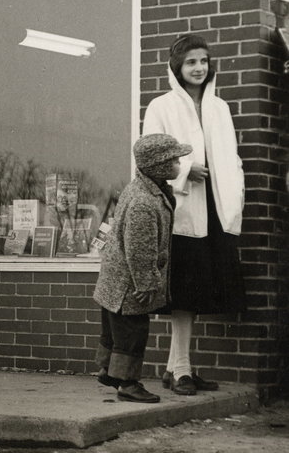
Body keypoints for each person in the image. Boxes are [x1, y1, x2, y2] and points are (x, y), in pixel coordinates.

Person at [142, 33, 247, 396]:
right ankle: (182, 368)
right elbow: (151, 156)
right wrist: (186, 171)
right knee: (184, 294)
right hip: (182, 211)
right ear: (177, 67)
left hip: (217, 210)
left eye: (203, 60)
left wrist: (235, 192)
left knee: (200, 291)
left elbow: (231, 156)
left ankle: (177, 368)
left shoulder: (220, 108)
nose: (199, 67)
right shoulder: (161, 106)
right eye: (190, 61)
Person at [93, 133, 187, 403]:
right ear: (159, 166)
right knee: (133, 333)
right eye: (174, 159)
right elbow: (140, 247)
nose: (179, 163)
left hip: (116, 281)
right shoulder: (144, 202)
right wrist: (146, 283)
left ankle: (108, 372)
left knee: (116, 331)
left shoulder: (143, 189)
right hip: (128, 283)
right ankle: (128, 384)